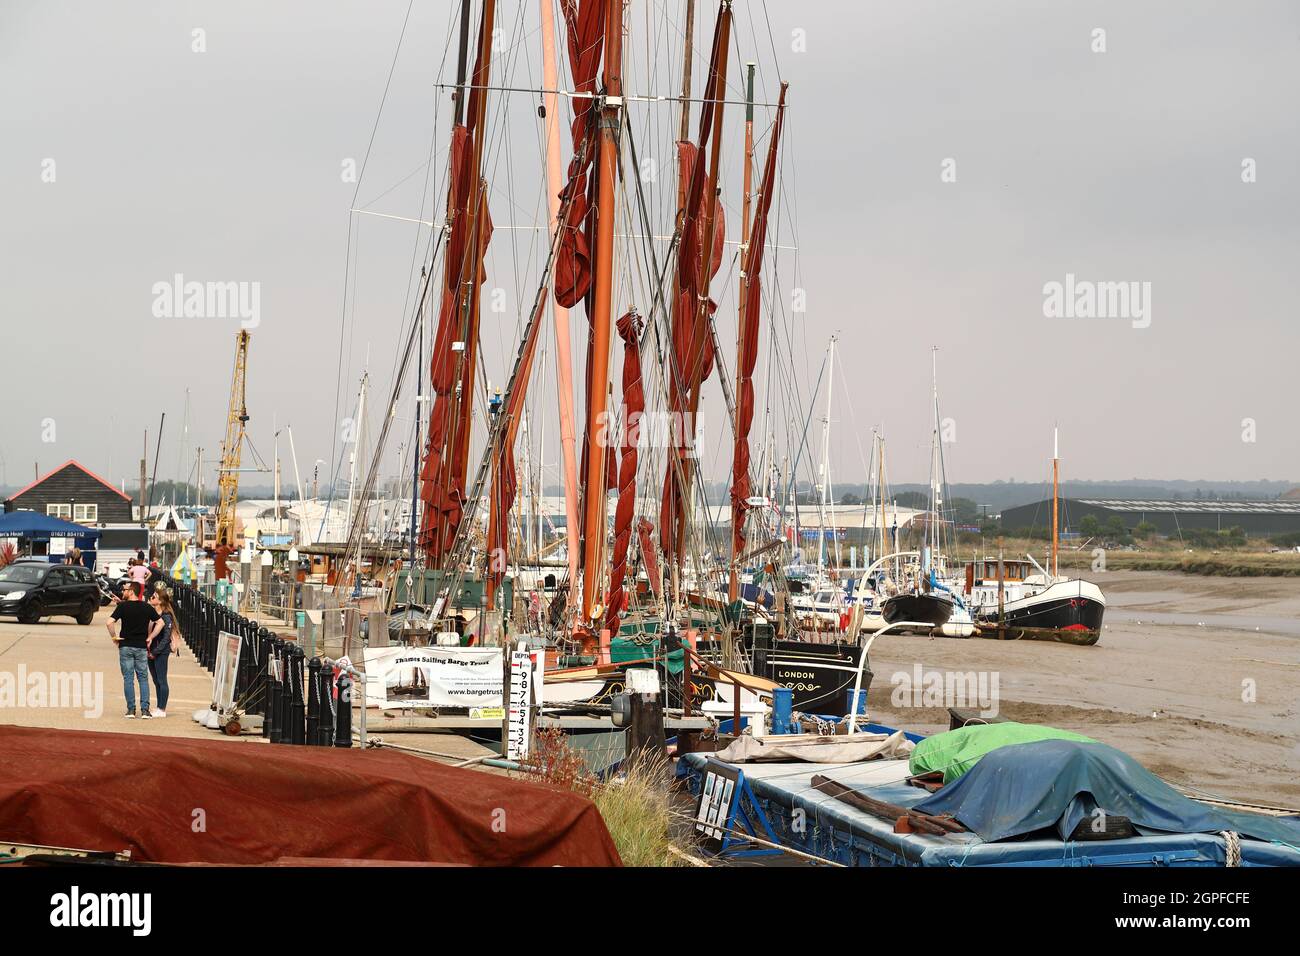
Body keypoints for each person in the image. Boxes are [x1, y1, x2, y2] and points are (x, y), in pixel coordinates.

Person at [107, 581, 162, 718]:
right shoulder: (146, 607)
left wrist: (114, 637)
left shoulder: (123, 607)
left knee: (128, 678)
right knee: (143, 678)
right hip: (141, 646)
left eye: (126, 589)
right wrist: (150, 637)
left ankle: (131, 709)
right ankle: (145, 710)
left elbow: (109, 622)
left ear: (131, 591)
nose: (124, 591)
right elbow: (160, 622)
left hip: (125, 645)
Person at [147, 587, 181, 718]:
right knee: (156, 680)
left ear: (160, 601)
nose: (151, 598)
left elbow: (166, 637)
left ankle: (162, 708)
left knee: (161, 679)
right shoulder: (153, 613)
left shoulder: (166, 616)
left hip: (161, 651)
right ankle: (159, 706)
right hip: (151, 650)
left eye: (154, 597)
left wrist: (155, 652)